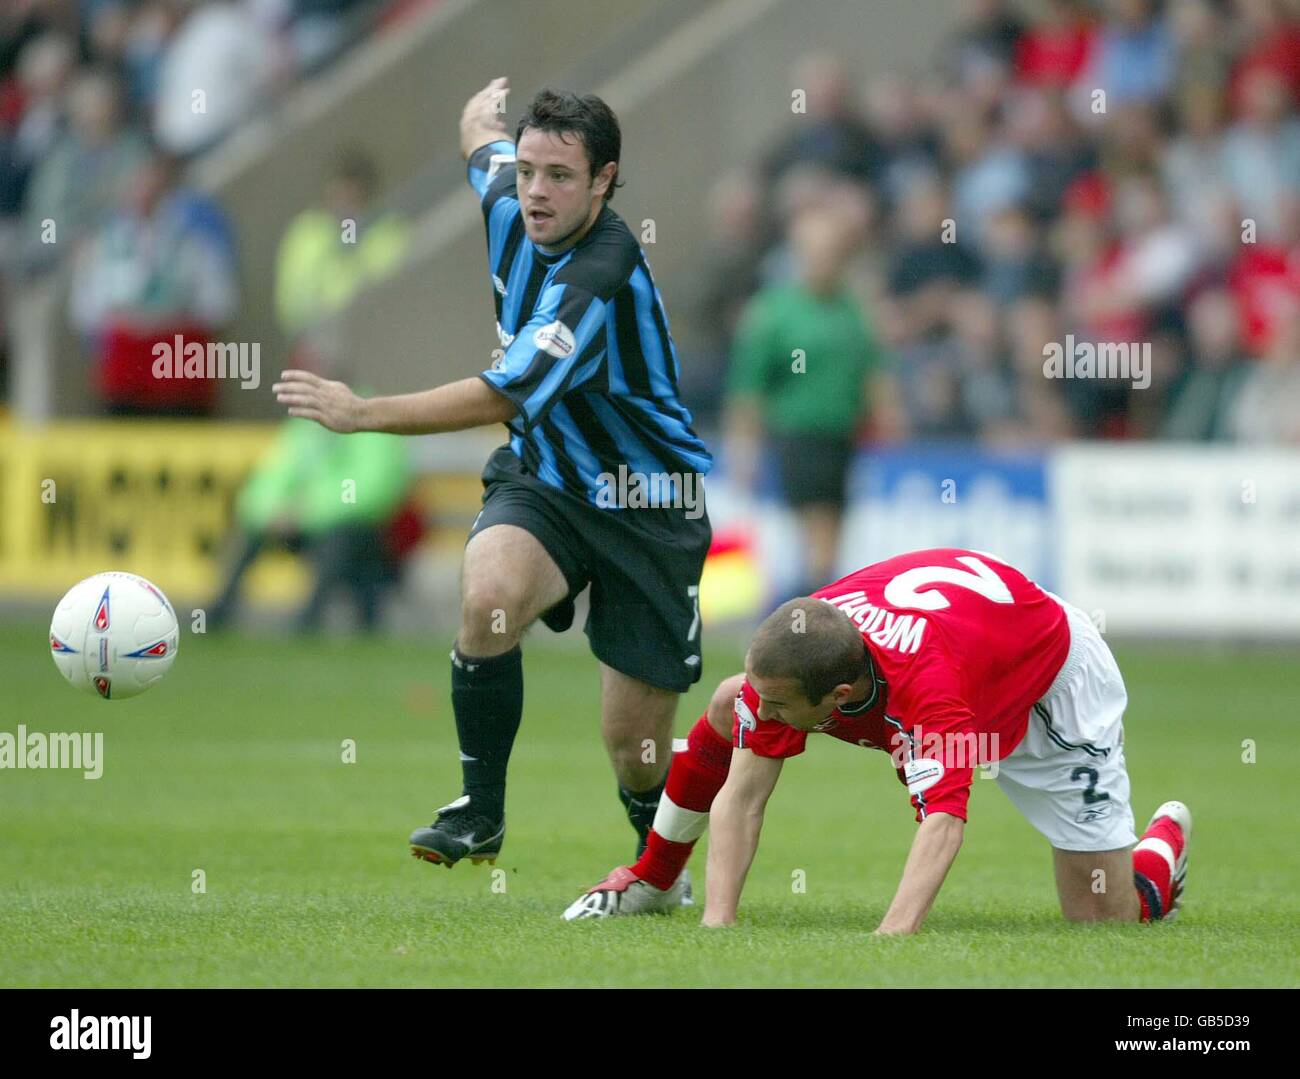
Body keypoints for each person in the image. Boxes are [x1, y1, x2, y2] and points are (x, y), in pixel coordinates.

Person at [274, 79, 713, 896]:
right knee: (490, 597)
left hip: (647, 506)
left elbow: (505, 395)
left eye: (561, 177)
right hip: (546, 478)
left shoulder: (602, 272)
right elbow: (480, 141)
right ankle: (481, 807)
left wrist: (362, 411)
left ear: (606, 181)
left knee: (634, 748)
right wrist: (479, 111)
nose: (537, 192)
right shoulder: (508, 192)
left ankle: (664, 872)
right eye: (530, 171)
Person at [565, 547, 1191, 932]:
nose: (769, 709)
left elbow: (943, 824)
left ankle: (1159, 858)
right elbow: (745, 793)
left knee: (1100, 915)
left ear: (837, 702)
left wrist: (891, 937)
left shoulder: (931, 699)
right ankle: (654, 877)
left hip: (1046, 684)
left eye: (783, 704)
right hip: (973, 642)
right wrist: (718, 927)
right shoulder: (811, 640)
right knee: (733, 703)